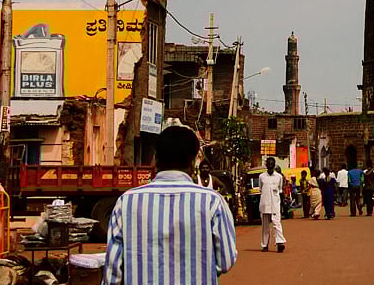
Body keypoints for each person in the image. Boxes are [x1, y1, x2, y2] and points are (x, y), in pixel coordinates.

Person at [103, 121, 237, 285]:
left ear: (156, 159)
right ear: (193, 161)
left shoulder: (126, 202)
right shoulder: (212, 202)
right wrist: (200, 271)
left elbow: (113, 271)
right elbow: (226, 260)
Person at [259, 157, 286, 252]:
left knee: (276, 223)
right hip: (265, 204)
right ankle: (264, 245)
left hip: (275, 203)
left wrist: (282, 206)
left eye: (272, 165)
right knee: (265, 226)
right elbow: (260, 189)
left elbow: (281, 191)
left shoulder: (279, 177)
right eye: (268, 164)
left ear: (274, 165)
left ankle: (280, 243)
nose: (270, 166)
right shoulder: (261, 176)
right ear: (266, 165)